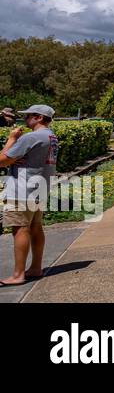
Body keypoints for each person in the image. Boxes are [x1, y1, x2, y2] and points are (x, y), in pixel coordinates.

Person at [0, 105, 58, 286]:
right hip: (39, 187)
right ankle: (35, 267)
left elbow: (3, 160)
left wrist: (11, 139)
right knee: (35, 227)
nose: (25, 120)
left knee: (20, 229)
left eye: (28, 117)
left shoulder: (31, 137)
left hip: (21, 188)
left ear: (39, 118)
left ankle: (18, 275)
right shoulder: (51, 136)